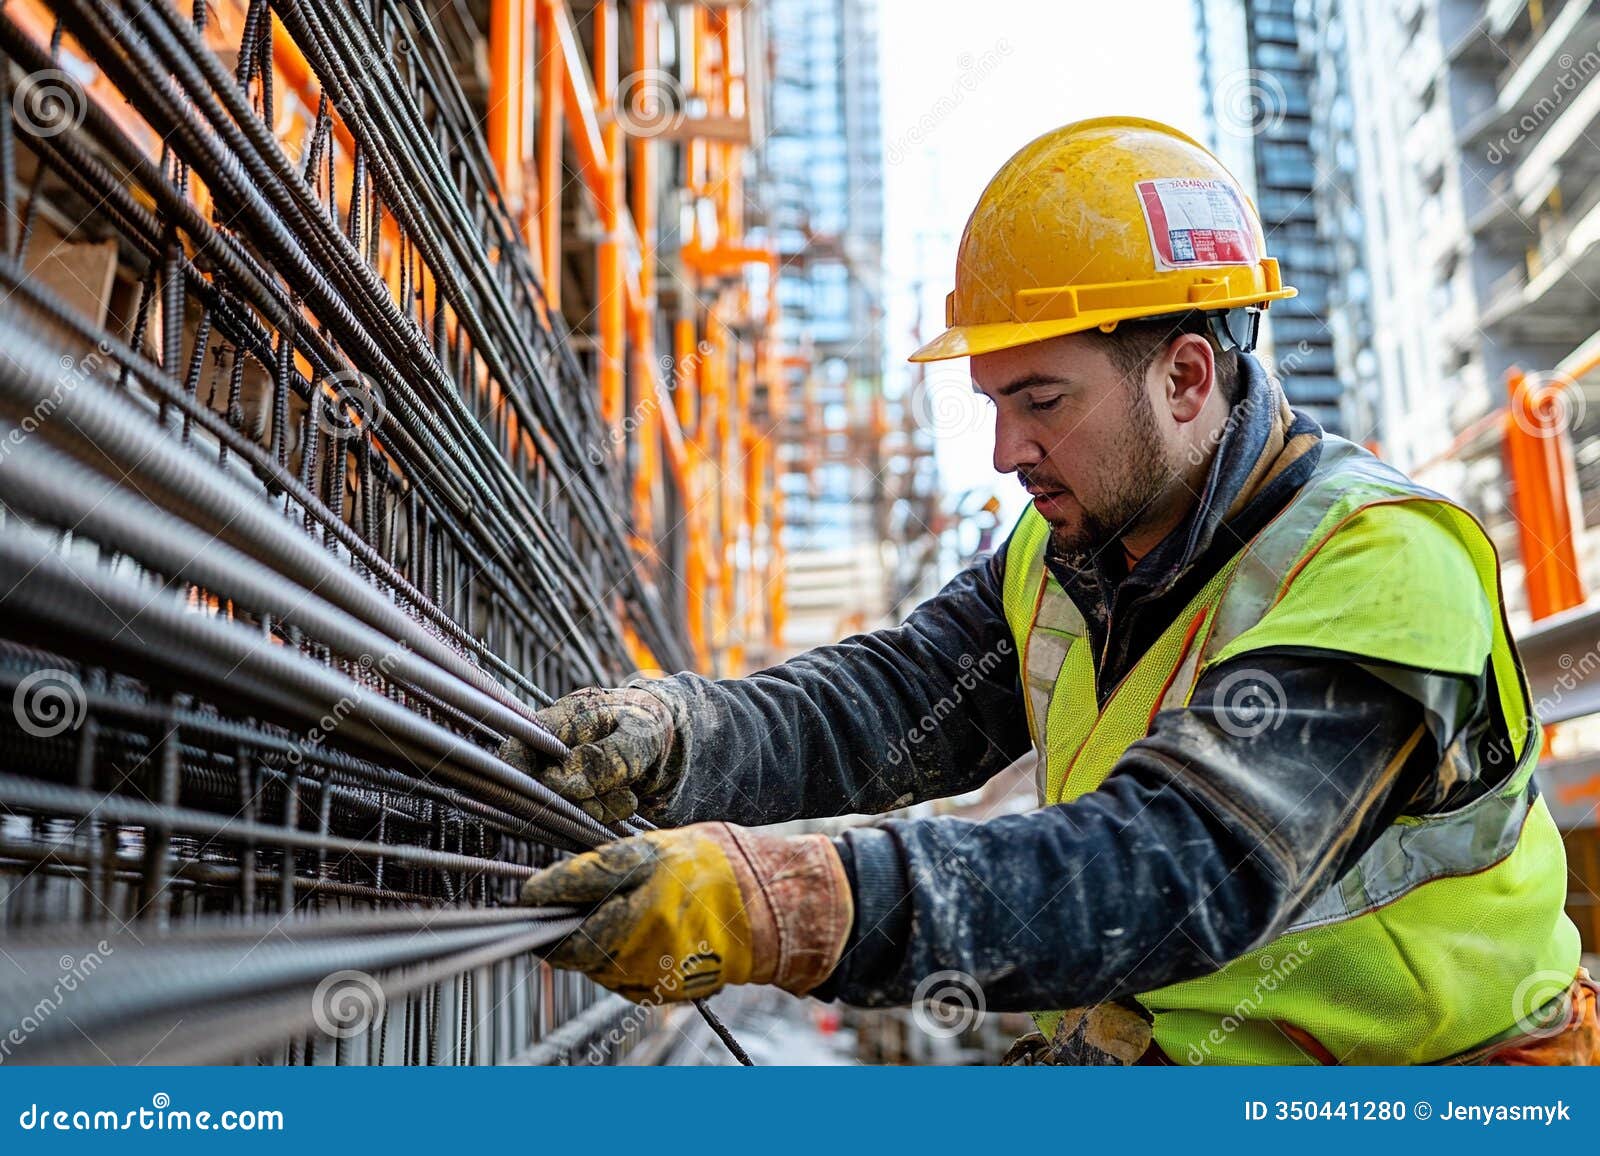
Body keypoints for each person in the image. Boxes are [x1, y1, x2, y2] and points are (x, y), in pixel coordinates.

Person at [508, 117, 1594, 1065]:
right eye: (990, 400)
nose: (1003, 449)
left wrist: (796, 903)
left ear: (1183, 377)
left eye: (1039, 399)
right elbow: (888, 702)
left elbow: (1177, 867)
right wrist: (682, 735)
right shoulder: (1068, 552)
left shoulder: (1380, 563)